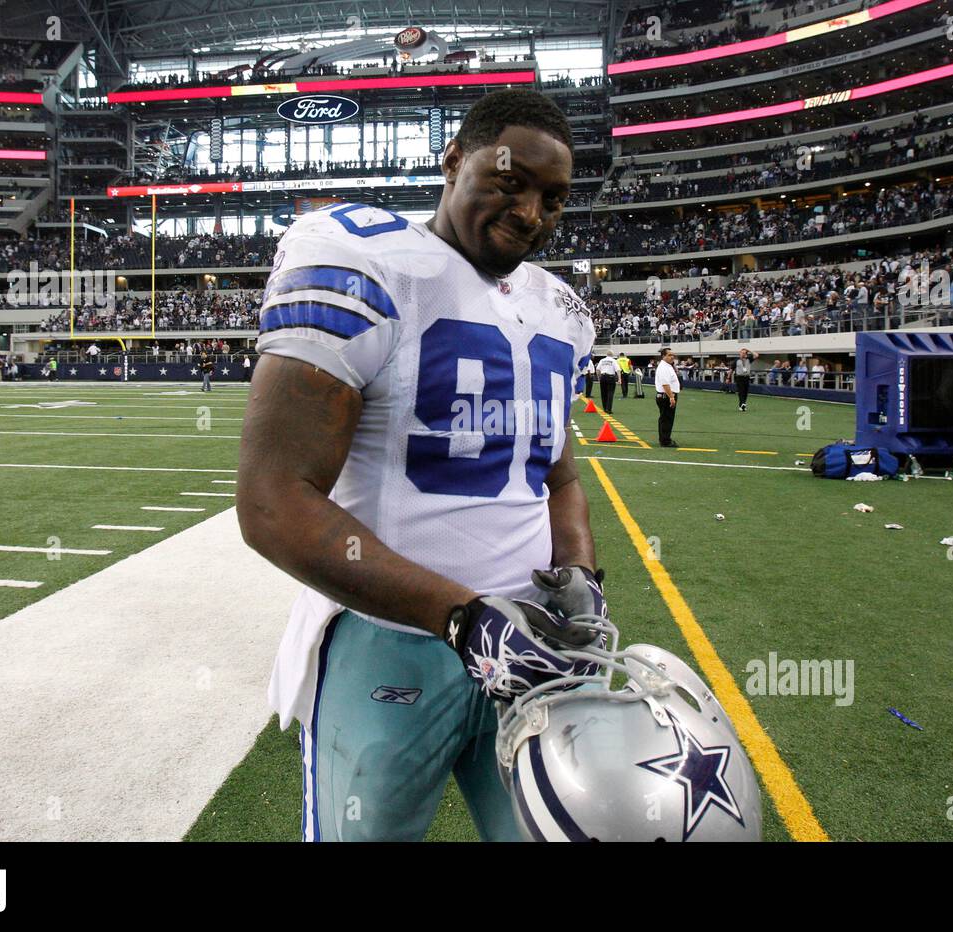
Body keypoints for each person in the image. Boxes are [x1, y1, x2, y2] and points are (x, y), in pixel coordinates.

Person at [237, 88, 602, 842]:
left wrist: (580, 574)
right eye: (511, 182)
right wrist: (463, 620)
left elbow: (556, 476)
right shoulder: (366, 263)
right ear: (454, 161)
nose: (532, 213)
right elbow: (272, 502)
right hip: (391, 645)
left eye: (553, 199)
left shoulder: (560, 310)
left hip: (530, 646)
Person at [655, 346, 680, 447]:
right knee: (667, 419)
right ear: (663, 356)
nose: (672, 357)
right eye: (669, 355)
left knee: (664, 418)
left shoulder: (667, 366)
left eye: (673, 355)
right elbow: (665, 384)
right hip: (666, 396)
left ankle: (664, 439)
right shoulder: (664, 367)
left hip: (665, 396)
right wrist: (672, 397)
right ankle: (665, 441)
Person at [734, 347, 758, 411]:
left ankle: (742, 405)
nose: (743, 354)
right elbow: (731, 369)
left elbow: (756, 355)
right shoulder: (736, 360)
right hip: (739, 378)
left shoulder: (749, 359)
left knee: (745, 392)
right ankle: (743, 404)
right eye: (742, 352)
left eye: (744, 353)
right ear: (739, 353)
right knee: (741, 391)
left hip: (746, 377)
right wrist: (728, 378)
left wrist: (749, 350)